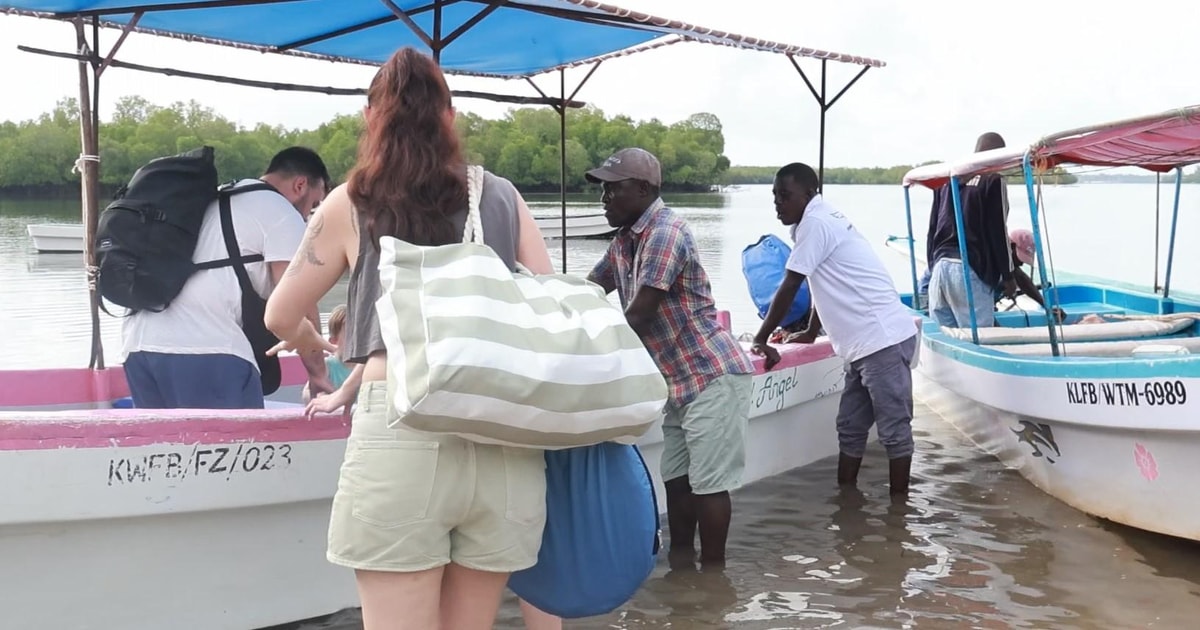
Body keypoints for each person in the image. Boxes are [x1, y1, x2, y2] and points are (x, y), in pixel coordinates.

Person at [263, 47, 561, 630]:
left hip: (401, 424)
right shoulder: (500, 195)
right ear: (448, 116)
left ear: (373, 119)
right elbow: (548, 305)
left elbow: (279, 313)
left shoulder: (352, 200)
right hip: (499, 432)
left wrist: (311, 341)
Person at [585, 147, 754, 567]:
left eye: (612, 190)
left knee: (708, 486)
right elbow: (589, 288)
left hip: (710, 376)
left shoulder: (665, 232)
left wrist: (589, 359)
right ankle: (682, 570)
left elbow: (639, 316)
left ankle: (713, 578)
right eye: (602, 191)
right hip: (676, 383)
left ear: (643, 189)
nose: (604, 200)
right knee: (677, 482)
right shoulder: (625, 239)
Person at [751, 163, 919, 496]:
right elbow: (822, 280)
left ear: (809, 194)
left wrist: (760, 337)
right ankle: (848, 502)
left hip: (881, 340)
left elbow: (790, 284)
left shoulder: (816, 222)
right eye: (774, 196)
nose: (777, 203)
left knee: (894, 431)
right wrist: (812, 331)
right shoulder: (816, 220)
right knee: (850, 426)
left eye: (785, 196)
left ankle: (899, 513)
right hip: (860, 345)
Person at [121, 147, 332, 409]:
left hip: (138, 349)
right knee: (238, 448)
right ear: (300, 185)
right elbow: (300, 305)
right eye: (314, 205)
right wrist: (317, 374)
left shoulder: (212, 198)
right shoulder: (281, 212)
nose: (308, 215)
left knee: (169, 448)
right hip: (209, 353)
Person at [926, 132, 1017, 328]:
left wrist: (932, 265)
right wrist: (1008, 276)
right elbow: (998, 232)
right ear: (998, 155)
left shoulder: (945, 180)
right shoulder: (993, 180)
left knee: (948, 337)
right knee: (981, 339)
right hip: (969, 268)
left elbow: (932, 228)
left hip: (940, 266)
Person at [301, 304, 353, 405]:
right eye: (350, 334)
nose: (356, 339)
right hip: (334, 415)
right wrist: (321, 397)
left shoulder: (368, 364)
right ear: (334, 340)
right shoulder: (327, 365)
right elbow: (306, 393)